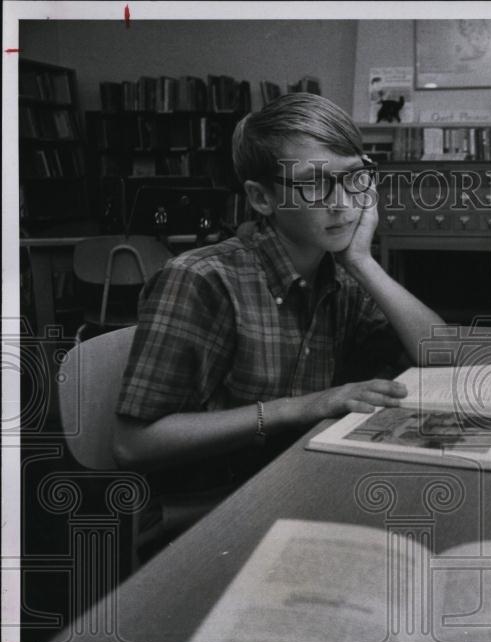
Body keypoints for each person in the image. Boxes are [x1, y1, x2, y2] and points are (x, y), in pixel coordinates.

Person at [113, 93, 445, 492]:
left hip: (303, 473)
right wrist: (301, 408)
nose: (343, 204)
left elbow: (441, 356)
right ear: (261, 198)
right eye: (313, 183)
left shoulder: (339, 271)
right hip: (220, 500)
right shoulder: (202, 278)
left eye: (355, 176)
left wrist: (362, 263)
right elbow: (132, 444)